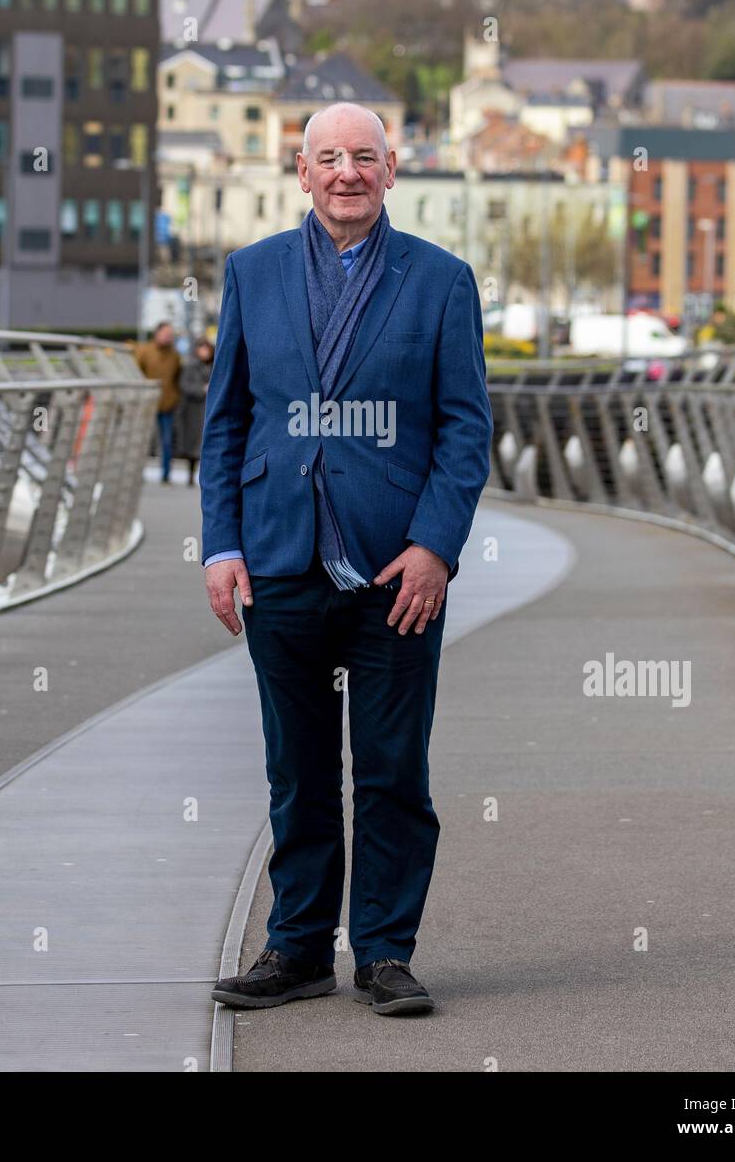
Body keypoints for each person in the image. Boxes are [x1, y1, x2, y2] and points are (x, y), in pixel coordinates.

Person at [200, 101, 492, 1017]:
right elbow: (226, 424)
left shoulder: (441, 281)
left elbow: (464, 429)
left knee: (394, 771)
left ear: (392, 169)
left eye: (363, 157)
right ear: (302, 172)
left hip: (395, 574)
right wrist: (222, 544)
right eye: (329, 158)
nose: (347, 174)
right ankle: (296, 950)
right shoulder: (252, 273)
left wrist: (436, 549)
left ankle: (384, 953)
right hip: (283, 559)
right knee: (297, 771)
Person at [133, 321, 181, 483]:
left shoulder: (175, 354)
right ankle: (137, 474)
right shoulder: (144, 350)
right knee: (142, 441)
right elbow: (135, 373)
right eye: (166, 334)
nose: (169, 337)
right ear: (157, 333)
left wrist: (175, 398)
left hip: (167, 404)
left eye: (171, 335)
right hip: (147, 404)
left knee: (167, 442)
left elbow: (177, 377)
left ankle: (166, 475)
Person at [175, 338, 214, 485]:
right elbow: (184, 385)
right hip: (193, 411)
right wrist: (202, 390)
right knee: (192, 445)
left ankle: (205, 476)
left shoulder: (216, 366)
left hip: (209, 410)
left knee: (206, 445)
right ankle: (190, 475)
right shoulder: (191, 366)